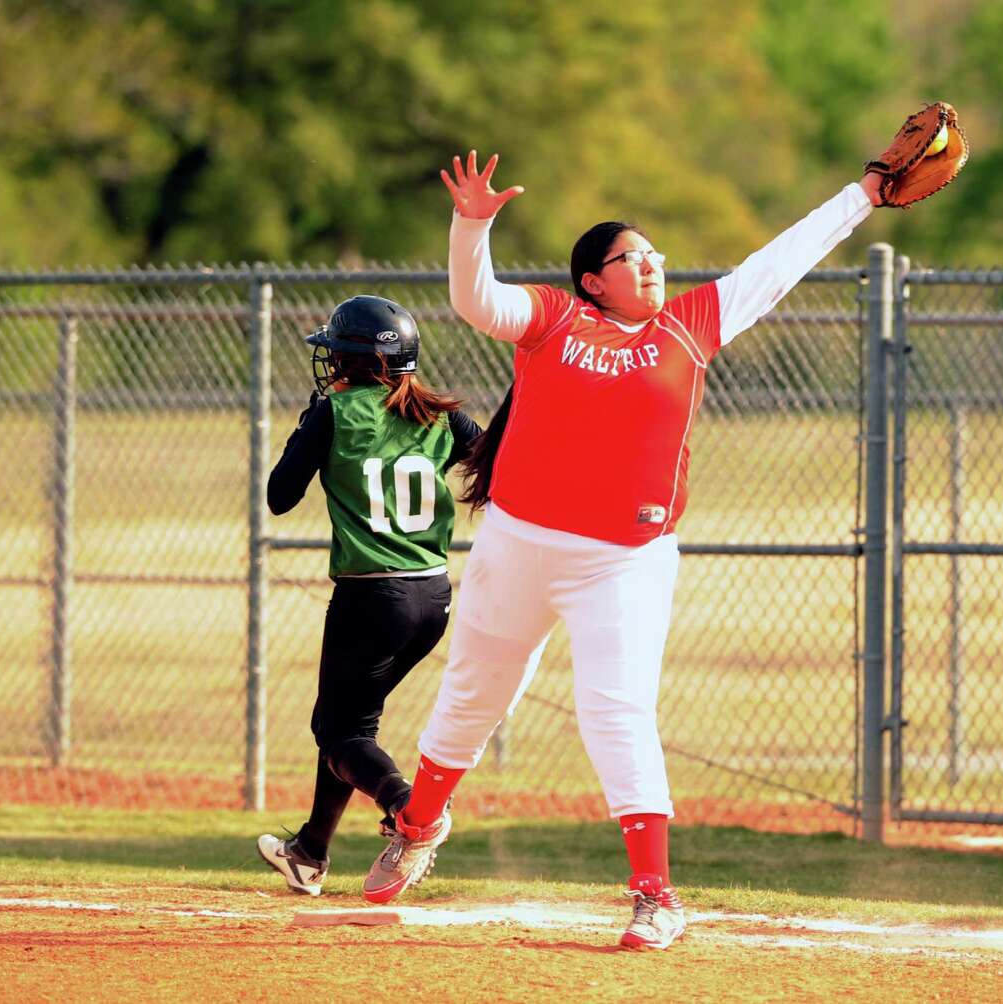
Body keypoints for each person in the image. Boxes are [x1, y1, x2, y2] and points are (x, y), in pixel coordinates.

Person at [362, 149, 890, 949]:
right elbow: (477, 303)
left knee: (615, 711)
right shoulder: (554, 320)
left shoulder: (692, 324)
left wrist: (864, 196)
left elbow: (779, 263)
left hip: (623, 558)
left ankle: (655, 895)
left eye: (655, 257)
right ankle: (421, 823)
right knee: (472, 697)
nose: (652, 266)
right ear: (592, 281)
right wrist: (472, 226)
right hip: (519, 541)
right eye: (631, 258)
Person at [257, 294, 481, 897]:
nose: (327, 361)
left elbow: (279, 496)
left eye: (334, 350)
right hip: (431, 596)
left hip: (369, 596)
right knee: (340, 725)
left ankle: (413, 811)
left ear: (353, 358)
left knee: (344, 733)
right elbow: (495, 465)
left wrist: (311, 426)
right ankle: (310, 852)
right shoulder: (440, 415)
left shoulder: (337, 412)